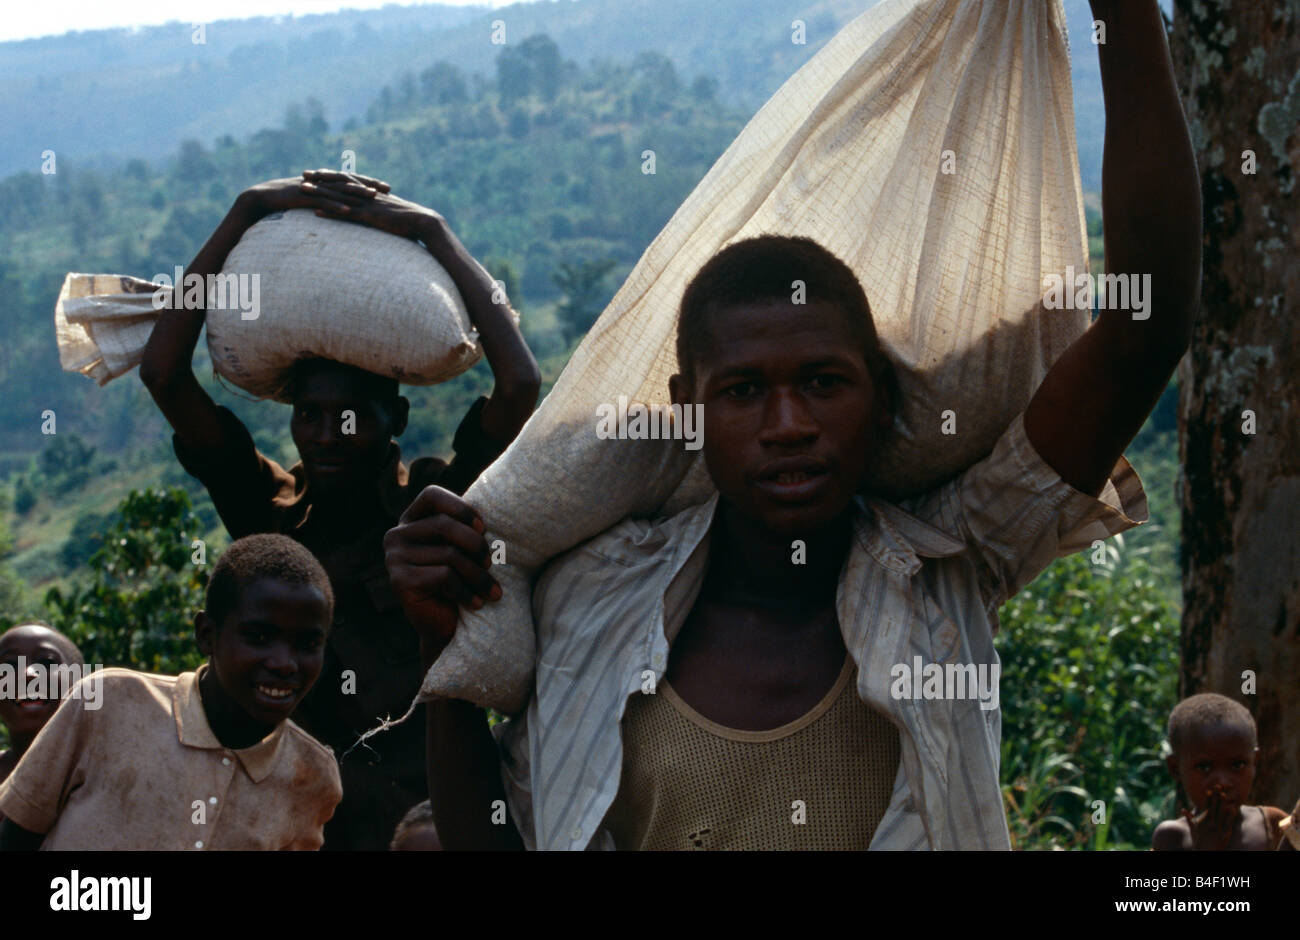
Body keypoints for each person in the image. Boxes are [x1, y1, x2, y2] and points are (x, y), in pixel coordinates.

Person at [385, 0, 1196, 849]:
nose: (788, 425)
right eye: (743, 392)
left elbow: (1146, 327)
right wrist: (446, 660)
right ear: (687, 410)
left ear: (881, 399)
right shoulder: (593, 599)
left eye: (822, 383)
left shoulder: (948, 565)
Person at [139, 169, 540, 849]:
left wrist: (431, 231)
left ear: (397, 418)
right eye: (310, 415)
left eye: (352, 417)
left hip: (438, 818)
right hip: (309, 822)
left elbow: (521, 382)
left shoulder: (434, 507)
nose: (327, 435)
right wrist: (244, 211)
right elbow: (163, 375)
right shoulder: (272, 514)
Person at [0, 534, 341, 850]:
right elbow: (17, 838)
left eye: (308, 643)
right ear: (206, 634)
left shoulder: (313, 777)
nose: (285, 663)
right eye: (259, 637)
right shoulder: (109, 703)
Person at [1151, 693, 1288, 851]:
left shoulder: (1273, 824)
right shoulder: (1172, 838)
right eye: (1204, 767)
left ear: (1255, 762)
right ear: (1175, 768)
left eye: (1238, 765)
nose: (1222, 782)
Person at [0, 623, 85, 789]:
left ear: (81, 681)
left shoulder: (106, 774)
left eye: (47, 661)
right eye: (10, 665)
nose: (28, 674)